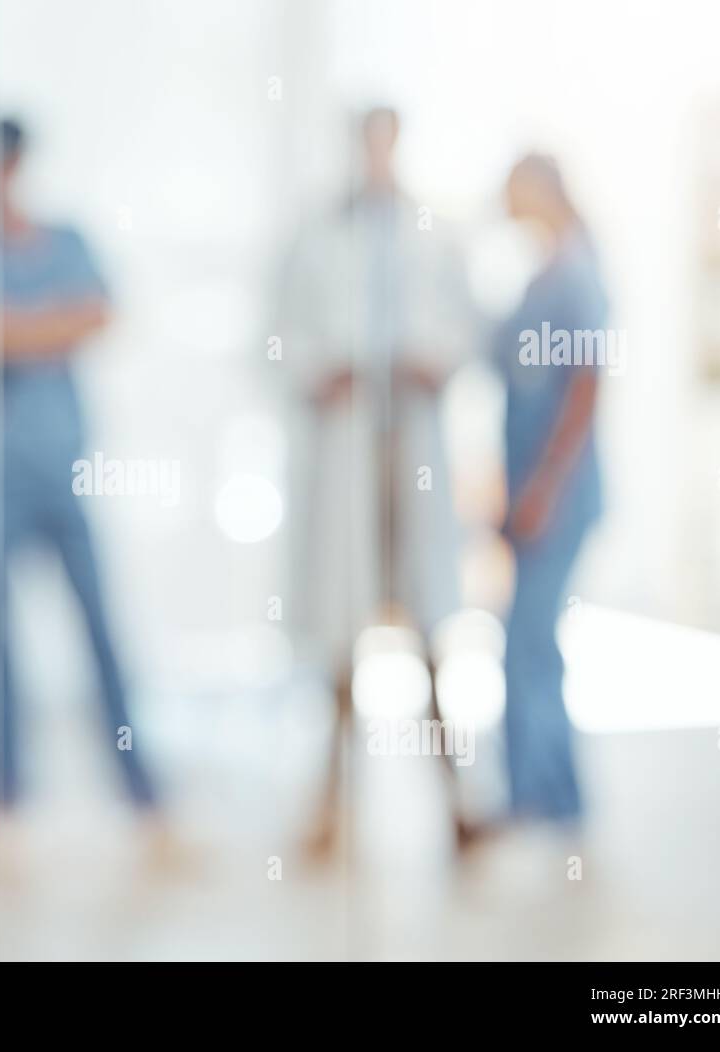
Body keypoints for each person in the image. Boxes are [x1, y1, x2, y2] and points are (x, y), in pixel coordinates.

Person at [0, 118, 171, 863]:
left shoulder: (67, 239)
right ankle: (7, 801)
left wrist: (3, 330)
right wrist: (45, 327)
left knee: (102, 635)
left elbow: (97, 317)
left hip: (64, 470)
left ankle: (145, 800)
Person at [275, 107, 478, 861]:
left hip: (410, 446)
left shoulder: (432, 232)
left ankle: (458, 804)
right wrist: (317, 371)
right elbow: (281, 333)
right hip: (346, 444)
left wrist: (438, 358)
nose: (376, 155)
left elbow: (465, 325)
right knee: (342, 642)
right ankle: (330, 807)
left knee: (428, 635)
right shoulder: (318, 234)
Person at [473, 153, 606, 837]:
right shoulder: (543, 274)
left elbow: (586, 385)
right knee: (532, 642)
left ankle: (535, 802)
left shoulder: (577, 272)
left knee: (525, 643)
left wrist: (546, 488)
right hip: (531, 491)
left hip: (555, 496)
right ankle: (557, 800)